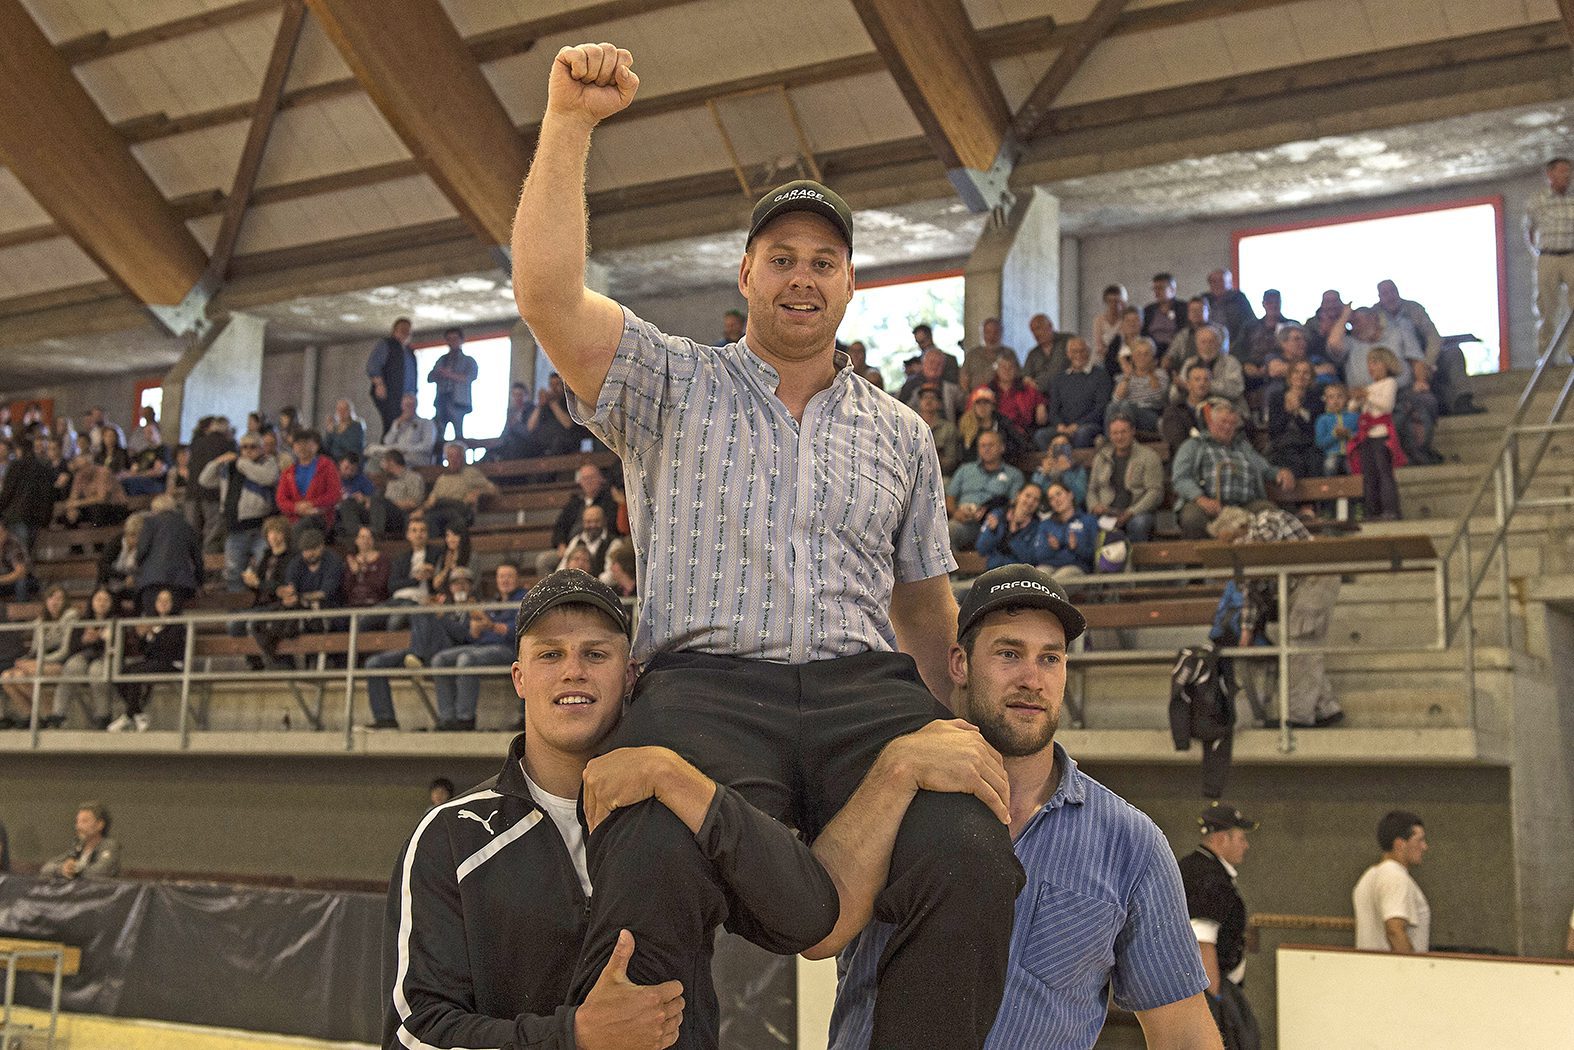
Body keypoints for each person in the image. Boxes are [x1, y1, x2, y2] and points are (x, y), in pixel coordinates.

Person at [514, 44, 1019, 1049]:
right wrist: (568, 123)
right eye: (780, 258)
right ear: (746, 273)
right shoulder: (670, 382)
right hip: (704, 689)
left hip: (863, 692)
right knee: (646, 853)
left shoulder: (899, 432)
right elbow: (545, 296)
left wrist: (953, 726)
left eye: (821, 262)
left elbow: (923, 605)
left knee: (968, 855)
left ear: (847, 284)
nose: (801, 277)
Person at [383, 569, 836, 1050]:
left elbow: (808, 919)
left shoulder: (679, 806)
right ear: (520, 676)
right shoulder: (451, 836)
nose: (572, 670)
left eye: (595, 654)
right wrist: (572, 1036)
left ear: (629, 676)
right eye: (550, 654)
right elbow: (414, 1038)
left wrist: (672, 776)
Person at [827, 565, 1220, 1050]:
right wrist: (894, 774)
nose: (1032, 680)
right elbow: (817, 934)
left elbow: (1184, 1034)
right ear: (960, 664)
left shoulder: (1129, 843)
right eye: (1009, 654)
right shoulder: (890, 793)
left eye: (1050, 658)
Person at [1179, 802, 1261, 1049]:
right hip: (1209, 985)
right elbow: (1203, 942)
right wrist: (1214, 1003)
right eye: (1241, 838)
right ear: (1223, 838)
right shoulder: (1209, 878)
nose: (1245, 845)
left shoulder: (1196, 867)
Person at [426, 561, 528, 731]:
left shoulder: (524, 600)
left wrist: (490, 625)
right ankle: (448, 718)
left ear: (518, 579)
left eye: (509, 576)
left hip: (508, 649)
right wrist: (476, 627)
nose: (505, 580)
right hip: (482, 646)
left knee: (467, 659)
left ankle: (466, 719)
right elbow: (474, 635)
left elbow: (514, 631)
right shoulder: (493, 601)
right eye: (501, 576)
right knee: (440, 660)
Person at [1172, 400, 1294, 539]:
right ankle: (1199, 560)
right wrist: (1200, 498)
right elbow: (1181, 478)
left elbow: (1265, 469)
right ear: (1211, 423)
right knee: (1192, 518)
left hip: (1245, 505)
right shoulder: (1194, 445)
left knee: (1271, 515)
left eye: (1232, 424)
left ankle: (1258, 560)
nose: (1227, 427)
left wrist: (1280, 473)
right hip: (1207, 503)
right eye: (1223, 422)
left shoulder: (1243, 447)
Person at [200, 430, 280, 591]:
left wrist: (243, 464)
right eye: (244, 447)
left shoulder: (267, 462)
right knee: (233, 572)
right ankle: (237, 613)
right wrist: (217, 462)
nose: (248, 451)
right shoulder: (229, 467)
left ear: (260, 448)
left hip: (260, 527)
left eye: (253, 447)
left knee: (262, 568)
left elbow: (268, 478)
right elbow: (204, 480)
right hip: (234, 528)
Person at [0, 585, 78, 728]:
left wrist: (38, 662)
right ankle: (31, 716)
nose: (54, 602)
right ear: (46, 601)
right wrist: (24, 661)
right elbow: (35, 650)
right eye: (51, 598)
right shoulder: (40, 621)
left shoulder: (70, 617)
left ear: (65, 602)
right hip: (40, 660)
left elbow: (65, 651)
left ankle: (47, 713)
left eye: (59, 599)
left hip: (60, 661)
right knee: (6, 677)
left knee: (22, 676)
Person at [1353, 811, 1430, 954]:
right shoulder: (1395, 877)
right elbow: (1394, 930)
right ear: (1400, 844)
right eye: (1419, 840)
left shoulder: (1368, 877)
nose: (1424, 847)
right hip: (1396, 973)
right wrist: (1413, 968)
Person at [111, 587, 185, 732]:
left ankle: (128, 715)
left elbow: (169, 649)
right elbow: (146, 651)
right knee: (121, 672)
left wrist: (152, 635)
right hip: (153, 662)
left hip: (171, 663)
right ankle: (138, 713)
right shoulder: (152, 621)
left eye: (167, 600)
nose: (163, 603)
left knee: (136, 673)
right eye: (160, 600)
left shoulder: (178, 623)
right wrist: (142, 636)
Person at [1088, 414, 1165, 543]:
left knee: (1139, 524)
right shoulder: (1101, 458)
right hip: (1107, 512)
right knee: (1087, 523)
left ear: (1132, 431)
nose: (1119, 437)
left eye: (1123, 432)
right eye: (1115, 433)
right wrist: (1095, 506)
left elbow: (1155, 492)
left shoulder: (1149, 456)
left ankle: (1137, 562)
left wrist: (1131, 512)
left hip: (1137, 511)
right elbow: (1092, 489)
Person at [1525, 157, 1574, 359]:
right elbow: (1528, 230)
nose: (1567, 176)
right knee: (1546, 307)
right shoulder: (1537, 201)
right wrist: (1538, 253)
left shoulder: (1572, 200)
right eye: (1562, 172)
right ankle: (1546, 355)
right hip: (1547, 257)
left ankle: (1573, 353)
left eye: (1569, 172)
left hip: (1571, 256)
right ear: (1550, 175)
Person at [1349, 346, 1405, 520]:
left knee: (1384, 473)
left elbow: (1386, 406)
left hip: (1381, 434)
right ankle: (1373, 510)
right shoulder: (1370, 387)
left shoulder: (1389, 383)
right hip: (1367, 435)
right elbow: (1352, 407)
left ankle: (1390, 509)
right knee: (1369, 474)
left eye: (1375, 362)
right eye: (1369, 363)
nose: (1371, 367)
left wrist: (1366, 396)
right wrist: (1358, 398)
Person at [53, 587, 118, 729]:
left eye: (106, 600)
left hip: (106, 657)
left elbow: (119, 646)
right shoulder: (82, 621)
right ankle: (58, 714)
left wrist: (100, 639)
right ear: (92, 602)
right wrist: (84, 640)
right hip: (85, 655)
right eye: (98, 599)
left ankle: (103, 715)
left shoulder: (117, 622)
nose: (101, 603)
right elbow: (72, 646)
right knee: (71, 666)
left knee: (97, 671)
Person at [948, 430, 1024, 551]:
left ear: (1002, 448)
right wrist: (956, 513)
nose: (986, 449)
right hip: (964, 520)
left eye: (991, 445)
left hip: (994, 523)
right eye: (983, 445)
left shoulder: (1014, 474)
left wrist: (991, 511)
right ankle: (953, 570)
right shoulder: (965, 470)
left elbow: (1014, 503)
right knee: (947, 530)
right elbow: (949, 496)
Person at [134, 493, 203, 614]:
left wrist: (138, 567)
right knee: (173, 621)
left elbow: (142, 551)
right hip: (179, 581)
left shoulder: (150, 523)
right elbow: (197, 557)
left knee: (153, 620)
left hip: (152, 580)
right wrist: (200, 582)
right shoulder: (186, 525)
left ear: (155, 509)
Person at [1038, 336, 1112, 448]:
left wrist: (1077, 425)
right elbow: (1053, 410)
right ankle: (1055, 465)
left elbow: (1100, 408)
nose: (1078, 354)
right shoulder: (1058, 379)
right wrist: (1059, 425)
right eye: (1074, 351)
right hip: (1063, 427)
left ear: (1089, 352)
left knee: (1082, 433)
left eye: (1082, 350)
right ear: (1068, 354)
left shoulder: (1101, 375)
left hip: (1089, 426)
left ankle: (1075, 465)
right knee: (1041, 436)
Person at [419, 442, 498, 538]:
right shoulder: (442, 479)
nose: (453, 460)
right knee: (426, 519)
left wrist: (478, 493)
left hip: (460, 509)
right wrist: (421, 510)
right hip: (440, 508)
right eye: (450, 456)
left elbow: (493, 489)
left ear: (463, 458)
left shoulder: (471, 473)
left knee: (443, 518)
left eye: (457, 456)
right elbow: (431, 500)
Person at [275, 429, 343, 535]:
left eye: (306, 443)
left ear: (315, 446)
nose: (302, 447)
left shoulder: (327, 465)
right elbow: (281, 500)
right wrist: (296, 508)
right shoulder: (288, 472)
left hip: (320, 517)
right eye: (298, 444)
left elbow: (335, 495)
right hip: (294, 519)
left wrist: (311, 504)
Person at [427, 327, 479, 453]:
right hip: (441, 401)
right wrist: (440, 373)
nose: (452, 341)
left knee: (459, 436)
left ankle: (460, 461)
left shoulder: (468, 361)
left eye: (455, 338)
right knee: (438, 435)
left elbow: (469, 377)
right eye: (449, 339)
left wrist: (448, 374)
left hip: (458, 402)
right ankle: (438, 462)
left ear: (461, 340)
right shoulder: (442, 360)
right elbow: (430, 377)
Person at [39, 802, 120, 878]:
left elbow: (101, 871)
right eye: (77, 822)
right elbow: (46, 868)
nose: (78, 826)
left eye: (84, 821)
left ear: (100, 824)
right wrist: (61, 869)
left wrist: (75, 869)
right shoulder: (78, 847)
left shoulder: (110, 846)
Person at [1106, 335, 1169, 433]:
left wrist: (1151, 373)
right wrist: (1127, 377)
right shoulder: (1123, 377)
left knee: (1126, 406)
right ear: (1133, 357)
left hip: (1150, 414)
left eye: (1146, 354)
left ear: (1152, 357)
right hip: (1125, 410)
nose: (1142, 358)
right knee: (1111, 407)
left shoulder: (1160, 374)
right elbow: (1116, 400)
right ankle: (1109, 441)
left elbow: (1158, 398)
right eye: (1138, 354)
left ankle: (1127, 440)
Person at [367, 317, 418, 436]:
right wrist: (379, 384)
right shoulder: (386, 345)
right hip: (390, 394)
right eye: (402, 329)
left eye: (408, 330)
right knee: (391, 425)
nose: (406, 333)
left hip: (406, 397)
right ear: (394, 331)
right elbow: (373, 365)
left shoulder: (410, 352)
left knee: (405, 427)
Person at [976, 483, 1046, 569]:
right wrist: (992, 531)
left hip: (1020, 575)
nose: (1030, 501)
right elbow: (981, 549)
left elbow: (1032, 559)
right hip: (993, 571)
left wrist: (1015, 531)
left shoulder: (1038, 526)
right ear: (1018, 495)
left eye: (1036, 500)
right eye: (1027, 496)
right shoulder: (997, 515)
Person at [1038, 481, 1098, 579]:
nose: (1056, 500)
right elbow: (1038, 555)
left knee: (1057, 582)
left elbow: (1093, 555)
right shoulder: (1046, 524)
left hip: (1076, 567)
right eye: (1051, 498)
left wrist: (1076, 547)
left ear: (1070, 495)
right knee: (1034, 580)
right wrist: (1051, 548)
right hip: (1049, 565)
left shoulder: (1088, 520)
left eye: (1059, 494)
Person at [367, 394, 439, 469]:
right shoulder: (398, 422)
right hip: (396, 454)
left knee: (387, 462)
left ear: (415, 406)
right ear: (402, 406)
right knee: (373, 456)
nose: (408, 408)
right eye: (406, 405)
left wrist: (406, 449)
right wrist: (397, 426)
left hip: (415, 457)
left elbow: (427, 446)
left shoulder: (426, 423)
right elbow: (387, 442)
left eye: (411, 405)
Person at [961, 317, 1016, 394]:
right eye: (988, 332)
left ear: (1001, 334)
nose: (992, 336)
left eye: (996, 332)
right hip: (978, 399)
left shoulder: (1009, 354)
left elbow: (1017, 378)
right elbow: (964, 380)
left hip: (1004, 399)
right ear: (982, 334)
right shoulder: (972, 355)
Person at [1021, 313, 1073, 392]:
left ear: (1050, 326)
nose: (1036, 333)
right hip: (1042, 397)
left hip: (1067, 392)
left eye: (1038, 328)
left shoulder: (1068, 341)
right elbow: (1026, 377)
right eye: (1033, 330)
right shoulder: (1033, 353)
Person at [1315, 383, 1358, 477]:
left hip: (1350, 453)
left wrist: (1349, 434)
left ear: (1347, 398)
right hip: (1331, 453)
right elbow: (1320, 443)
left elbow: (1361, 436)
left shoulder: (1354, 417)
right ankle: (1329, 489)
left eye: (1340, 396)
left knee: (1354, 468)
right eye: (1331, 397)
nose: (1335, 400)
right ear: (1325, 400)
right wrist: (1335, 435)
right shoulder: (1322, 419)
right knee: (1329, 466)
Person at [1143, 272, 1185, 357]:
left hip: (1176, 349)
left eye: (1161, 288)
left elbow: (1184, 332)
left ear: (1173, 290)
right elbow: (1144, 332)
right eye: (1155, 289)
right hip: (1153, 350)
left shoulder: (1183, 308)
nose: (1157, 292)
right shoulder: (1148, 310)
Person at [1091, 283, 1127, 356]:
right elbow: (1099, 344)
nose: (1114, 305)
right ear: (1105, 301)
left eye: (1117, 301)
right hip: (1102, 356)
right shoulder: (1099, 320)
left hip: (1122, 356)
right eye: (1110, 301)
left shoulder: (1126, 320)